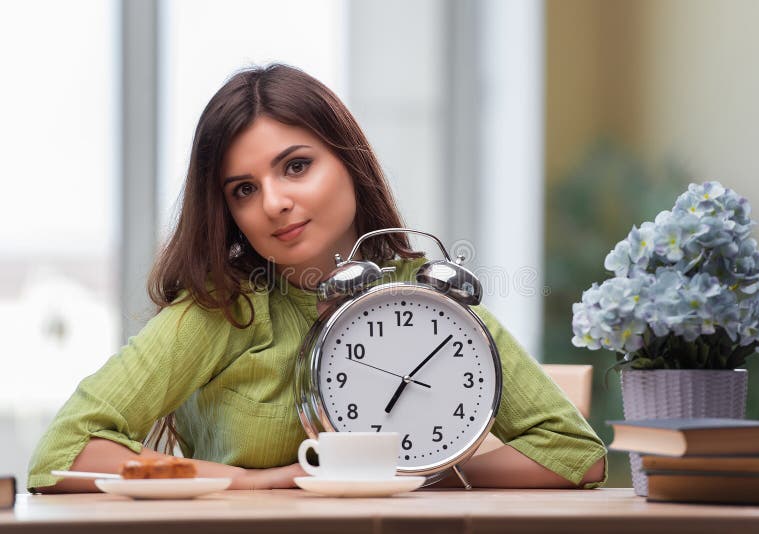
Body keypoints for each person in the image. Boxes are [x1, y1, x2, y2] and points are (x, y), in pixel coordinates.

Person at [27, 64, 606, 493]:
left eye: (296, 166)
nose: (274, 203)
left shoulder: (427, 299)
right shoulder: (224, 310)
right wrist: (260, 483)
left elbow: (575, 454)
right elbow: (63, 451)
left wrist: (420, 474)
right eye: (244, 190)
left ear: (349, 164)